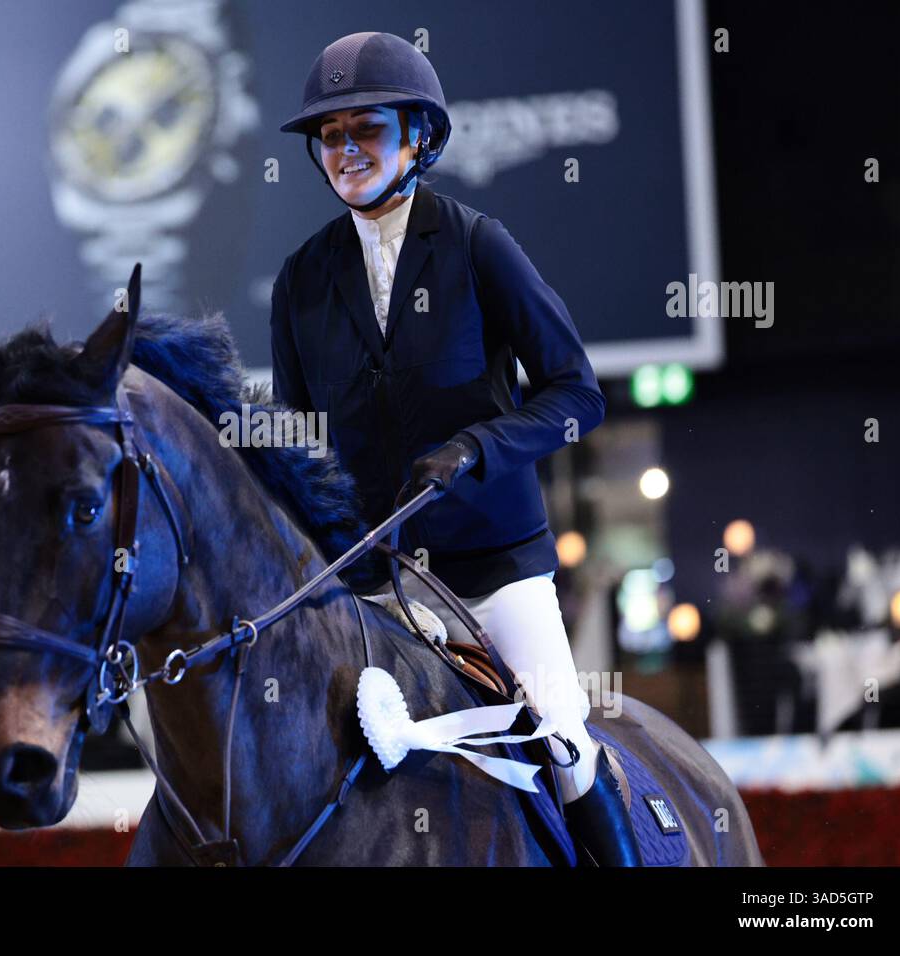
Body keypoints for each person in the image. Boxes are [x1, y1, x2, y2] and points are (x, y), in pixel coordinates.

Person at [270, 32, 641, 865]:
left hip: (490, 566)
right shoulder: (300, 280)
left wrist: (477, 445)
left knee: (560, 737)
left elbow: (577, 393)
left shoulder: (478, 243)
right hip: (371, 578)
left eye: (365, 128)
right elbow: (299, 447)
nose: (344, 150)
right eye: (329, 136)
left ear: (418, 138)